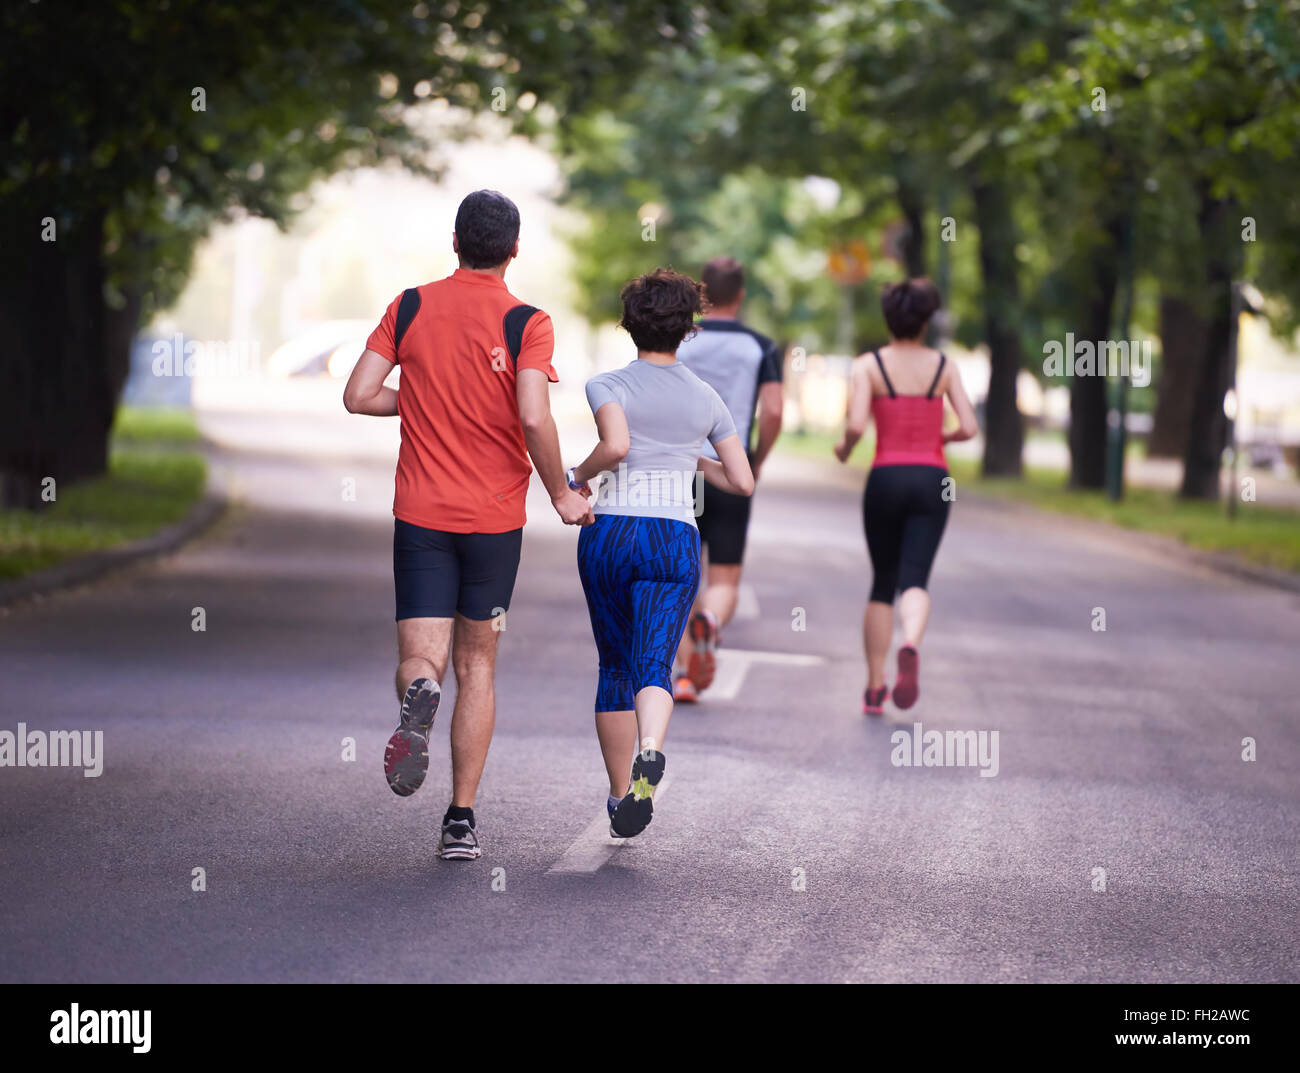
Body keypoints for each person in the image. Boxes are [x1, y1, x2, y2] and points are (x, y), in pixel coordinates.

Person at [343, 189, 593, 861]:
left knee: (421, 660)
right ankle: (460, 820)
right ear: (515, 250)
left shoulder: (411, 305)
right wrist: (562, 493)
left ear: (454, 242)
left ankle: (419, 697)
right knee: (478, 661)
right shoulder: (527, 322)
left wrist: (424, 402)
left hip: (421, 514)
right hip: (493, 522)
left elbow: (358, 394)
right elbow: (535, 415)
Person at [569, 268, 754, 838]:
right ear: (688, 328)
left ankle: (622, 794)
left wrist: (578, 474)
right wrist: (694, 455)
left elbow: (617, 445)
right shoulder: (705, 397)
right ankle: (652, 748)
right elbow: (742, 481)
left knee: (614, 668)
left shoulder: (607, 384)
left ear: (629, 324)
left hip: (613, 530)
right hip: (672, 536)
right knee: (655, 664)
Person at [833, 278, 977, 716]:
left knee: (882, 584)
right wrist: (943, 437)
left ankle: (875, 686)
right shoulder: (944, 366)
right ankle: (910, 642)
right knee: (914, 578)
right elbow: (969, 427)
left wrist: (843, 449)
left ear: (889, 318)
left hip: (886, 477)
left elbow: (857, 425)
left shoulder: (869, 365)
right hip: (933, 478)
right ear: (926, 321)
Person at [670, 257, 784, 703]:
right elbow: (773, 411)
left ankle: (683, 674)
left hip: (683, 472)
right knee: (724, 579)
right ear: (741, 294)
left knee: (681, 578)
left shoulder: (679, 339)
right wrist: (755, 460)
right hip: (731, 472)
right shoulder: (761, 346)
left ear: (702, 292)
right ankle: (712, 624)